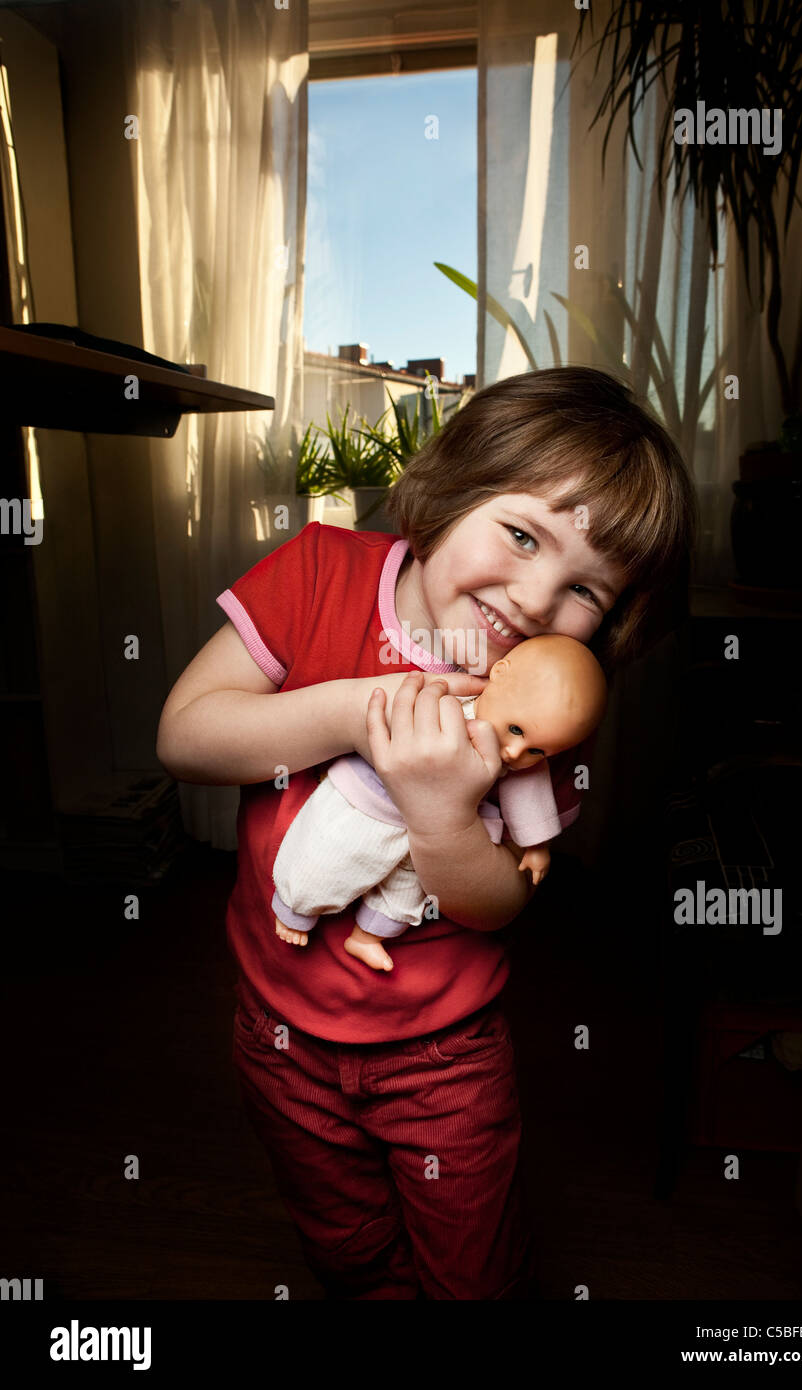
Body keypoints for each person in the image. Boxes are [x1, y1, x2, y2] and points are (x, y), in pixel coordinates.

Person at [156, 366, 696, 1300]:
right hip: (277, 1027)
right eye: (521, 535)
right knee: (346, 1245)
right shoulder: (317, 573)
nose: (534, 601)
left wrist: (445, 814)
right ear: (455, 486)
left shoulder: (545, 701)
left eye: (585, 593)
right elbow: (185, 736)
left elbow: (498, 907)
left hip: (442, 1058)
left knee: (470, 1270)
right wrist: (358, 713)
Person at [270, 635, 608, 971]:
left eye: (539, 750)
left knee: (406, 894)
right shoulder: (449, 700)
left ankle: (367, 936)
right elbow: (396, 708)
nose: (515, 752)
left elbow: (531, 797)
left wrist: (536, 847)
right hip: (377, 804)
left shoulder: (524, 765)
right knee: (329, 858)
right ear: (500, 675)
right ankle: (293, 909)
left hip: (432, 843)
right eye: (516, 729)